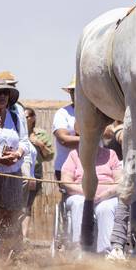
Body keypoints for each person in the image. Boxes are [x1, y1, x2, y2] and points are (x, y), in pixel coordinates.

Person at [0, 74, 29, 258]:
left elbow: (25, 141)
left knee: (11, 212)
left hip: (13, 172)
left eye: (5, 93)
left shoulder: (17, 117)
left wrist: (18, 153)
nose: (2, 96)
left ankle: (8, 251)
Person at [62, 139, 122, 252]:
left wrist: (104, 195)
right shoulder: (74, 155)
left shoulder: (111, 154)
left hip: (106, 197)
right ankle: (78, 247)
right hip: (80, 194)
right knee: (80, 203)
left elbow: (120, 182)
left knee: (106, 208)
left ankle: (106, 251)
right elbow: (65, 181)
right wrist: (88, 192)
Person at [51, 79, 79, 251]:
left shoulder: (99, 111)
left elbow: (107, 132)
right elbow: (63, 138)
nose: (78, 94)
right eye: (75, 91)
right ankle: (70, 239)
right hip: (65, 168)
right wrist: (90, 137)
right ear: (71, 93)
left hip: (94, 166)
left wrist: (75, 136)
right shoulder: (63, 113)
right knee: (72, 201)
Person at [24, 105, 54, 241]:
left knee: (27, 205)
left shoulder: (40, 134)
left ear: (33, 118)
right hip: (16, 173)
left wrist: (40, 145)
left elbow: (49, 156)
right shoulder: (18, 132)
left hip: (34, 174)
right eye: (23, 117)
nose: (25, 120)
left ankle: (23, 236)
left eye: (27, 117)